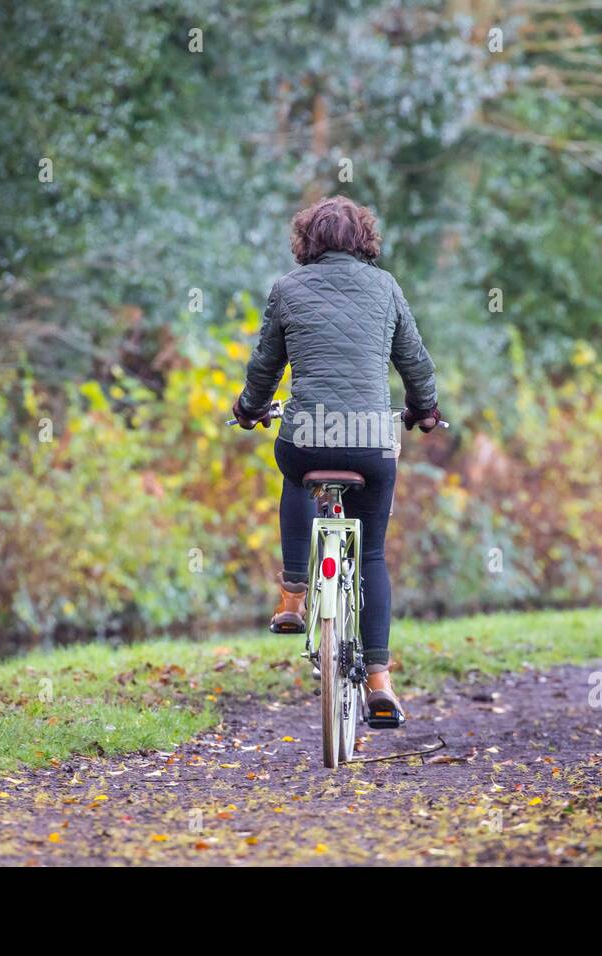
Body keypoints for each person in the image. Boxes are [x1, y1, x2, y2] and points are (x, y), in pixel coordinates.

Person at [231, 195, 440, 725]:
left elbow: (264, 369)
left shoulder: (286, 289)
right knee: (371, 557)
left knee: (295, 476)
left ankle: (292, 595)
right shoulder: (386, 287)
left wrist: (250, 410)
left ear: (307, 241)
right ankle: (379, 679)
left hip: (307, 436)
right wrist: (424, 410)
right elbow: (415, 362)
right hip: (371, 445)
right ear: (364, 240)